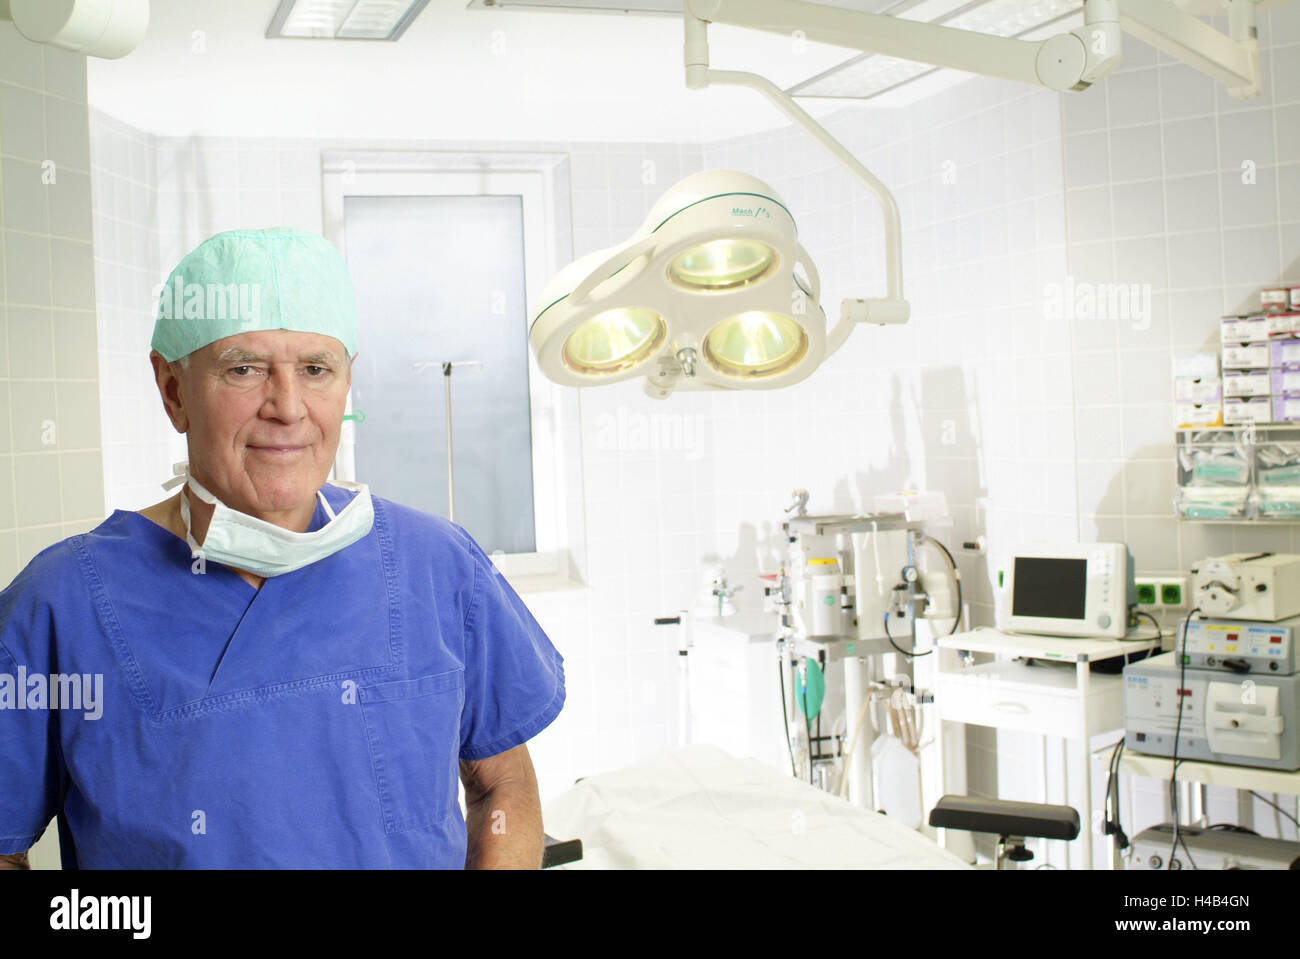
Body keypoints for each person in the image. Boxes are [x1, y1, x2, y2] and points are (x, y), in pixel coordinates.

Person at [0, 228, 565, 869]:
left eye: (316, 370)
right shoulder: (61, 604)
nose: (288, 407)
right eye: (245, 369)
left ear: (346, 382)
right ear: (173, 390)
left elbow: (504, 785)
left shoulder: (436, 565)